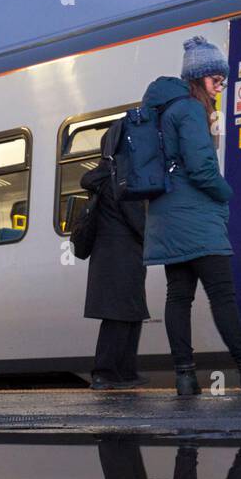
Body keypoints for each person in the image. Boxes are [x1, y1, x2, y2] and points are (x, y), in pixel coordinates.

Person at [142, 36, 241, 395]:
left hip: (166, 217)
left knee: (178, 296)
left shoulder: (164, 111)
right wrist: (228, 195)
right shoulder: (190, 110)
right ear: (198, 78)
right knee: (222, 294)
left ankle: (184, 376)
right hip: (196, 218)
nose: (220, 88)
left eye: (223, 81)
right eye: (216, 80)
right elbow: (201, 169)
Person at [81, 122, 150, 389]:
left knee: (127, 314)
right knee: (120, 315)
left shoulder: (107, 174)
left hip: (115, 255)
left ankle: (125, 371)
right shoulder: (122, 178)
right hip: (121, 255)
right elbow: (137, 220)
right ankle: (107, 372)